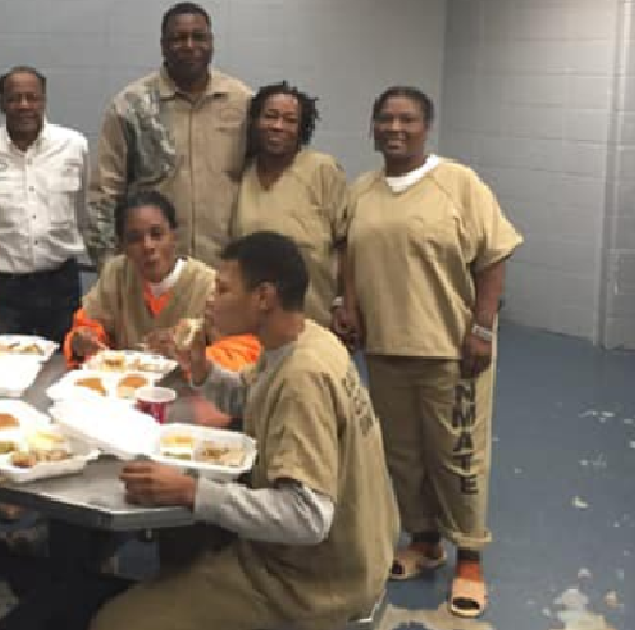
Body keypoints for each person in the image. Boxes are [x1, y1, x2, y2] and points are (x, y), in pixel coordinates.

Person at [89, 231, 398, 630]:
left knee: (114, 623)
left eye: (223, 289)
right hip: (362, 550)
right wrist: (202, 369)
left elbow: (308, 516)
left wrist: (191, 492)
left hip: (308, 582)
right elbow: (252, 396)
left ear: (264, 297)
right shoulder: (307, 339)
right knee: (188, 547)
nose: (210, 299)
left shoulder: (302, 378)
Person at [335, 86, 522, 618]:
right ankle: (423, 541)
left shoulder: (458, 183)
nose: (395, 128)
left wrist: (482, 327)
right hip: (385, 348)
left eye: (407, 119)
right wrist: (346, 304)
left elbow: (494, 256)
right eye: (385, 119)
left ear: (426, 127)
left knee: (458, 455)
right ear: (373, 126)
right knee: (403, 454)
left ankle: (470, 556)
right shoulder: (362, 190)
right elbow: (347, 251)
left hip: (451, 350)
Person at [86, 1, 251, 269]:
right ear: (163, 45)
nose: (189, 45)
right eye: (178, 38)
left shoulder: (241, 102)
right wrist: (109, 267)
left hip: (226, 268)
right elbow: (105, 193)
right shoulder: (131, 106)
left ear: (211, 43)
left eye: (199, 37)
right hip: (155, 267)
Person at [65, 190, 258, 373]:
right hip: (124, 389)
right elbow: (87, 326)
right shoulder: (116, 275)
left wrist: (189, 355)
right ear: (121, 245)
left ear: (174, 236)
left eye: (157, 234)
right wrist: (83, 342)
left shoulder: (210, 286)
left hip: (189, 392)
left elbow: (244, 353)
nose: (148, 246)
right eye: (134, 239)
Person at [0, 66, 87, 344]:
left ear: (44, 100)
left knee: (65, 360)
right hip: (6, 289)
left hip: (60, 283)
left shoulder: (73, 146)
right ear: (1, 103)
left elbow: (82, 209)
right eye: (14, 98)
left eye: (32, 97)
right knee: (6, 364)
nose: (24, 105)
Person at [231, 81, 347, 328]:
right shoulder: (243, 174)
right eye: (270, 116)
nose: (278, 126)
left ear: (302, 128)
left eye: (290, 120)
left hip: (314, 318)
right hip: (254, 323)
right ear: (255, 122)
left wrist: (344, 303)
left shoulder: (322, 170)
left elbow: (346, 244)